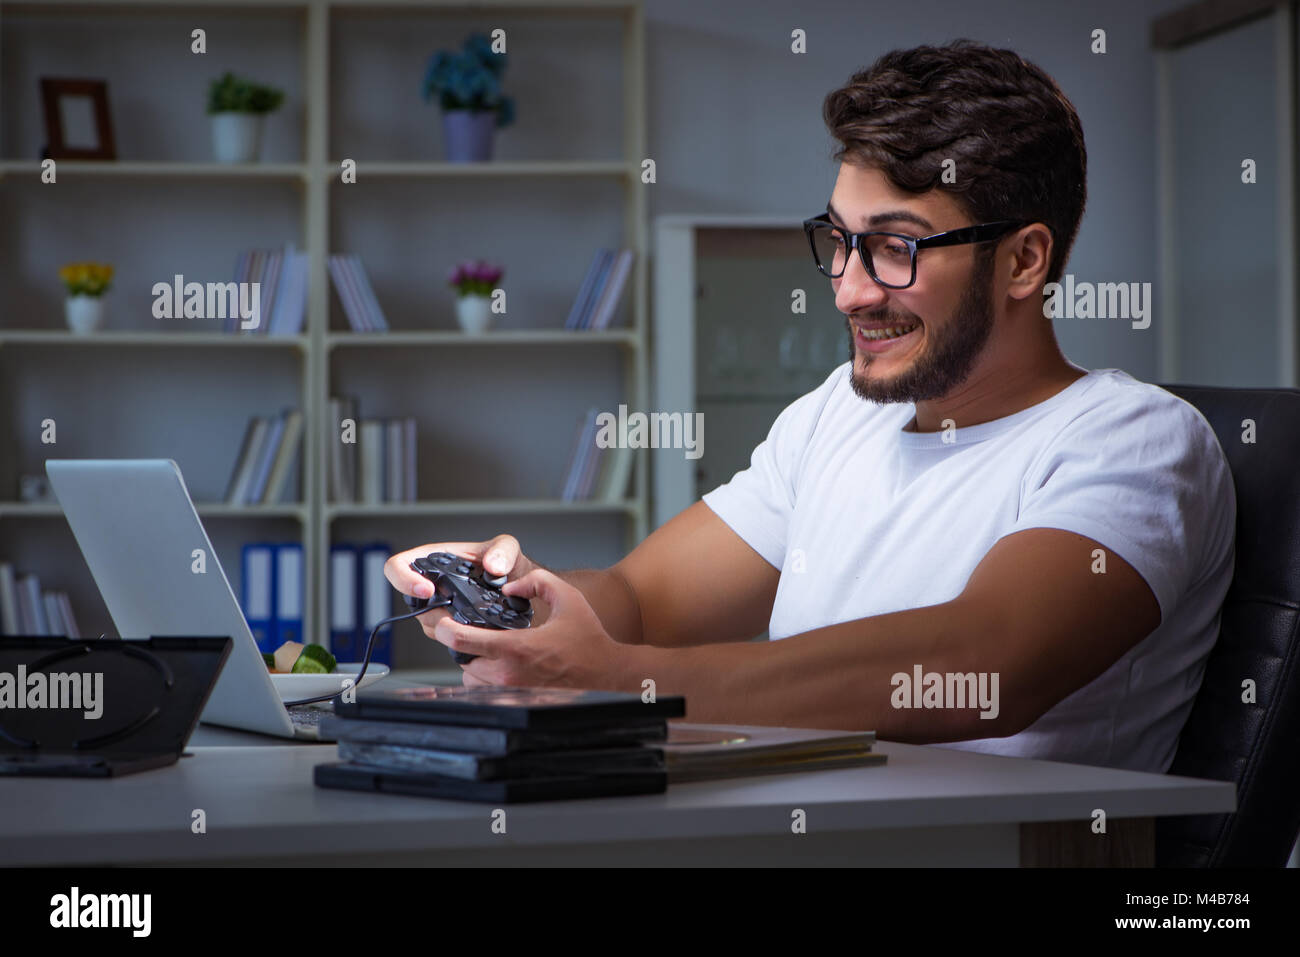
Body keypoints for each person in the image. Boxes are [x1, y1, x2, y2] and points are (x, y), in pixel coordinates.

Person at [385, 40, 1235, 772]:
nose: (849, 290)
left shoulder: (1137, 440)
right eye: (840, 241)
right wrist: (523, 605)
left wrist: (619, 679)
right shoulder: (841, 412)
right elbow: (641, 600)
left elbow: (982, 664)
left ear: (1023, 262)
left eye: (895, 248)